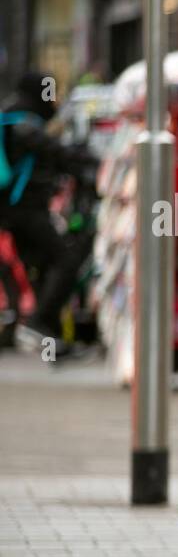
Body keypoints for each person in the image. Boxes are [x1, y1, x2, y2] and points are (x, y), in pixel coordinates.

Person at [0, 72, 99, 357]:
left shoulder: (9, 117)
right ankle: (38, 323)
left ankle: (49, 342)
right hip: (25, 211)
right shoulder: (24, 124)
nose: (52, 101)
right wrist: (96, 160)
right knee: (65, 260)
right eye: (49, 93)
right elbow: (59, 152)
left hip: (14, 212)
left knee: (43, 267)